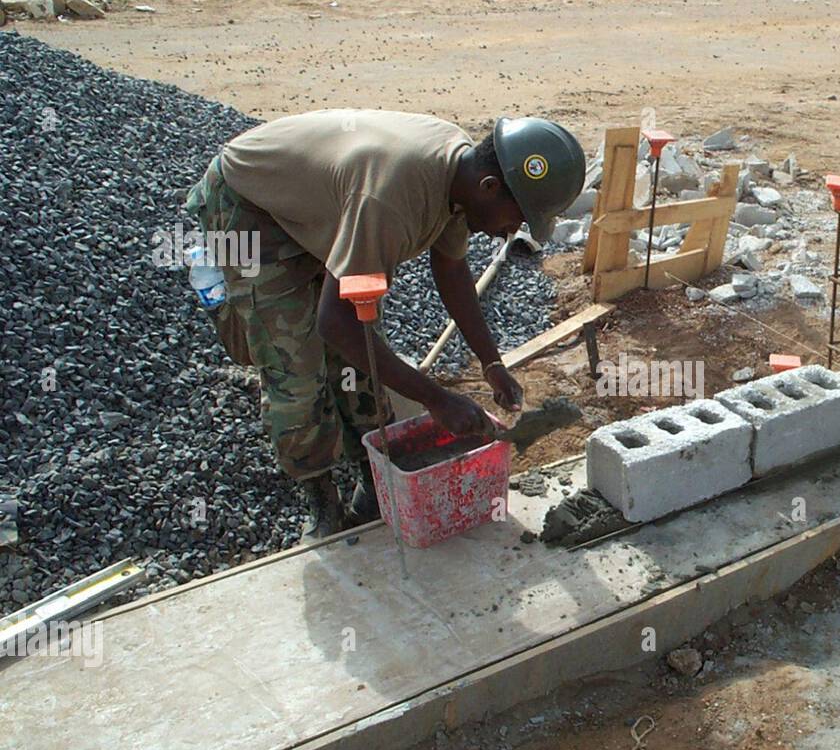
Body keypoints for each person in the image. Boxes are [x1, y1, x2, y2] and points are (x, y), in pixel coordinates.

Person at [185, 110, 585, 538]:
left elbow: (451, 271)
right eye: (516, 219)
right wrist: (437, 399)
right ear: (490, 188)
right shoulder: (392, 200)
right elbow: (335, 323)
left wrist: (492, 363)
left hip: (325, 206)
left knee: (360, 362)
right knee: (295, 365)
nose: (511, 232)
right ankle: (320, 498)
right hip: (251, 208)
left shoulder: (462, 178)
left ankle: (372, 479)